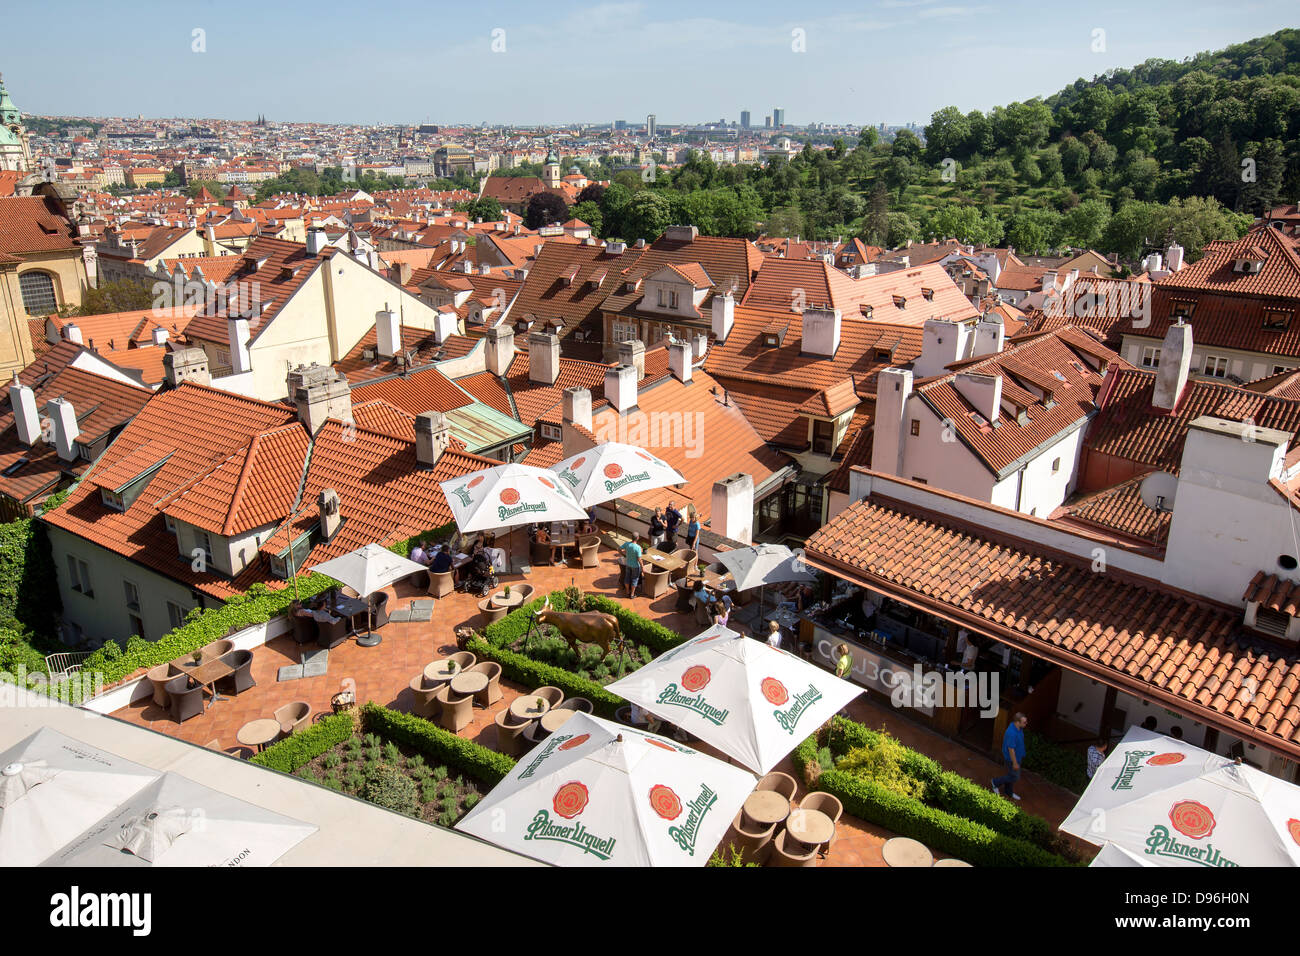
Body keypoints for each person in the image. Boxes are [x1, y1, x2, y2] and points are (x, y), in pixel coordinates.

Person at [992, 713, 1028, 801]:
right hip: (1012, 759)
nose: (1026, 723)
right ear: (1017, 722)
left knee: (1011, 775)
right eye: (1024, 722)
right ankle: (995, 782)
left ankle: (1008, 791)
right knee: (1015, 776)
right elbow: (1011, 749)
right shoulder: (1011, 733)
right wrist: (1015, 762)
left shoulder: (1018, 729)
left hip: (1018, 757)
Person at [621, 533, 644, 598]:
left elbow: (619, 549)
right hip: (636, 566)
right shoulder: (638, 547)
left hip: (628, 564)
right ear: (637, 538)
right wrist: (642, 567)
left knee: (627, 578)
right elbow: (639, 559)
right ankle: (632, 594)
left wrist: (623, 555)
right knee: (635, 579)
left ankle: (627, 592)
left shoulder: (627, 544)